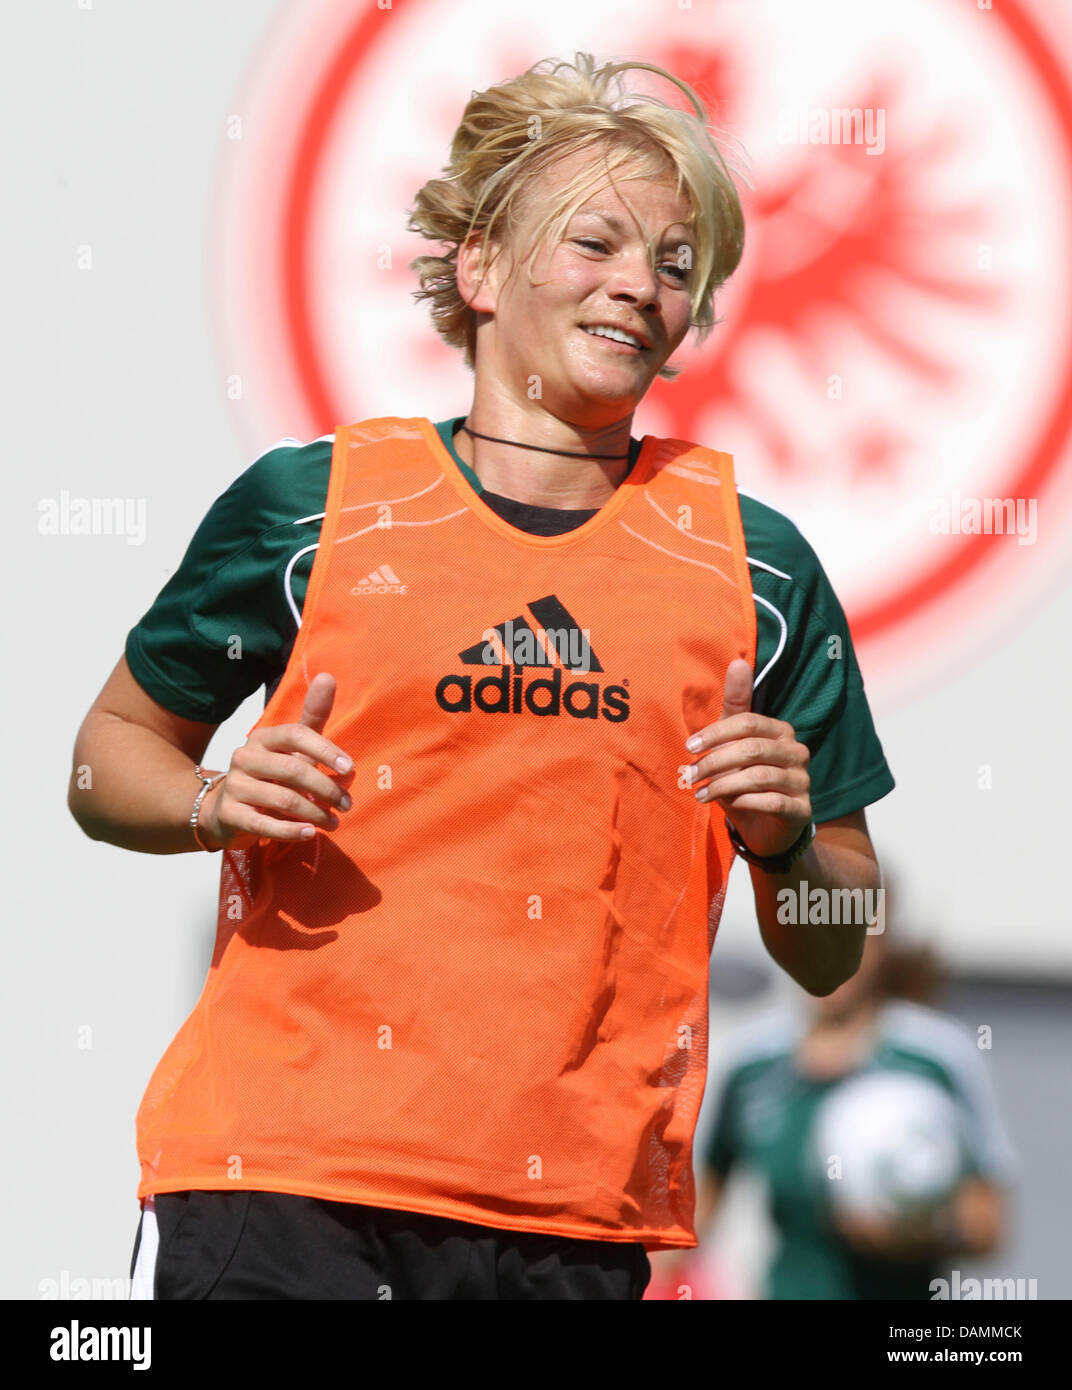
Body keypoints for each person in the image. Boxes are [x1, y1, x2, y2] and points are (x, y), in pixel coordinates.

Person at [67, 52, 894, 1301]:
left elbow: (837, 947)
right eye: (597, 244)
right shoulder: (312, 506)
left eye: (676, 267)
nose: (638, 287)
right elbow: (102, 759)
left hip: (572, 1221)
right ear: (481, 270)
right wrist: (211, 800)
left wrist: (785, 849)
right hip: (272, 1181)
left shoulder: (758, 565)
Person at [660, 916, 1016, 1300]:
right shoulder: (750, 1065)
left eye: (848, 936)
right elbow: (691, 1223)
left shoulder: (938, 1057)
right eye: (811, 937)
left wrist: (916, 1233)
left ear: (880, 947)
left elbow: (988, 1226)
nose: (829, 955)